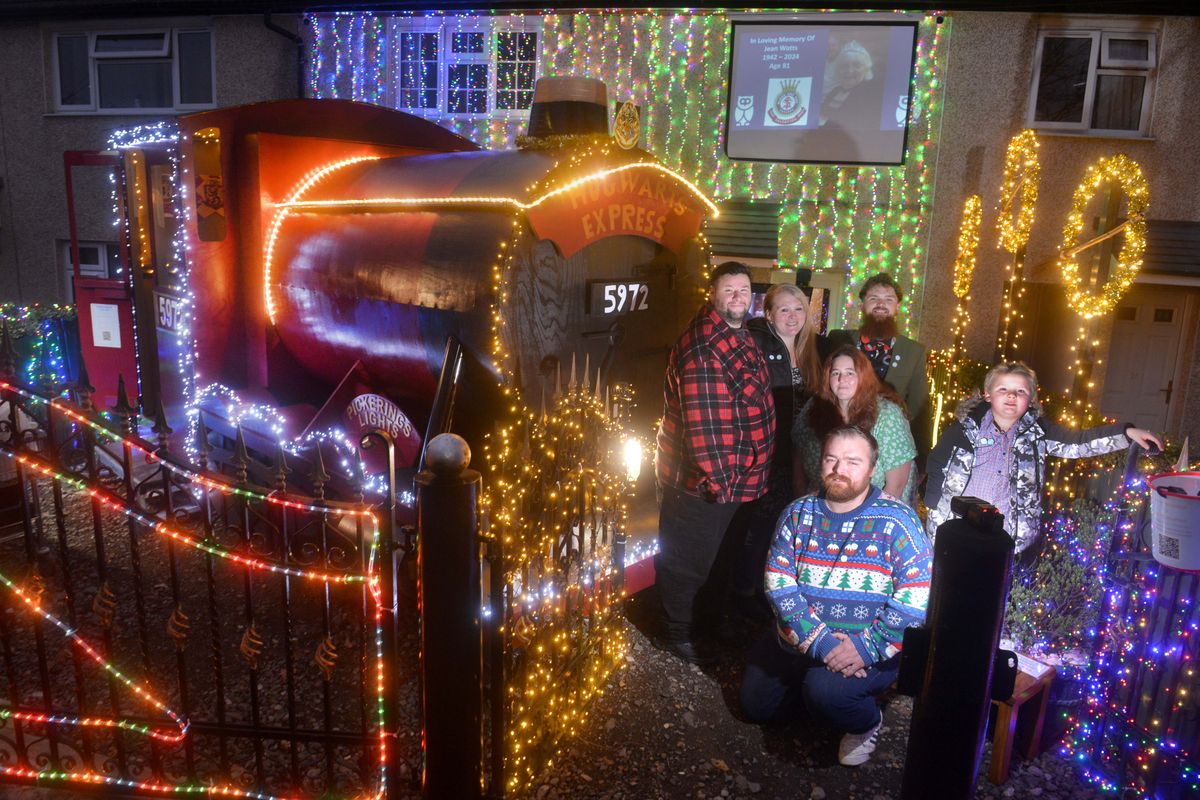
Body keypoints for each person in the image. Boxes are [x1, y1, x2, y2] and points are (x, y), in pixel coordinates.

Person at [740, 425, 932, 766]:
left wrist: (866, 647)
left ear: (872, 469)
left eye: (852, 462)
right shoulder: (798, 513)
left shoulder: (898, 520)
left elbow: (916, 597)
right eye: (832, 459)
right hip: (801, 639)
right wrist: (821, 643)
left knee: (827, 693)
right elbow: (779, 584)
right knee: (756, 706)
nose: (839, 470)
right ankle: (816, 686)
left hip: (865, 647)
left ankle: (865, 722)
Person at [654, 261, 776, 665]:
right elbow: (706, 426)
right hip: (708, 486)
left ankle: (707, 623)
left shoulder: (738, 335)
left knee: (719, 559)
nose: (738, 297)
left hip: (739, 484)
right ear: (712, 293)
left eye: (744, 290)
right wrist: (721, 484)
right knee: (688, 561)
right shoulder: (705, 347)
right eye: (729, 290)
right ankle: (677, 635)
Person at [924, 362, 1163, 554]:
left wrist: (1125, 433)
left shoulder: (1038, 432)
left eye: (1020, 391)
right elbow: (937, 463)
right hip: (959, 527)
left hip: (1007, 533)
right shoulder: (964, 430)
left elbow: (1077, 444)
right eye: (1003, 389)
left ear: (1031, 399)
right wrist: (937, 509)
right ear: (987, 395)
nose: (1011, 396)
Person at [731, 284, 828, 617]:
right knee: (759, 523)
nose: (792, 316)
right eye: (784, 309)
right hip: (767, 452)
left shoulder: (811, 350)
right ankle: (743, 591)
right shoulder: (757, 342)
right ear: (768, 314)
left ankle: (770, 587)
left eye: (798, 309)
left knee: (784, 524)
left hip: (799, 454)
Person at [828, 274, 930, 469]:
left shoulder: (913, 351)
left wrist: (922, 458)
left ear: (897, 307)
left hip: (890, 451)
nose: (881, 304)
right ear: (862, 304)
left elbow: (921, 406)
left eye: (888, 300)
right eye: (874, 298)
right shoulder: (838, 340)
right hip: (842, 441)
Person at [792, 345, 916, 502]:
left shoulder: (887, 415)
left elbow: (896, 485)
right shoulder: (814, 407)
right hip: (819, 506)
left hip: (872, 513)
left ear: (863, 376)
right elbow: (797, 462)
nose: (842, 379)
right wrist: (803, 505)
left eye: (850, 373)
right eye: (835, 373)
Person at [819, 40, 885, 130]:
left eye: (857, 66)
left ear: (866, 69)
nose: (849, 71)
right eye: (844, 66)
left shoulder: (871, 94)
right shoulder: (835, 91)